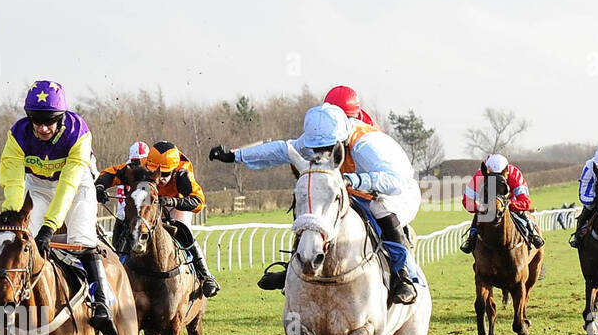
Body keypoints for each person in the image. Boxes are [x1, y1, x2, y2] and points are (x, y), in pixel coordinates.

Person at [210, 102, 421, 304]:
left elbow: (396, 182)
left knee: (379, 207)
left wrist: (352, 180)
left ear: (341, 140)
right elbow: (282, 150)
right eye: (315, 149)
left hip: (397, 194)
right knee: (316, 212)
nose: (321, 155)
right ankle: (295, 267)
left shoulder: (367, 145)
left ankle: (405, 276)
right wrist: (235, 155)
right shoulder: (320, 136)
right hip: (352, 191)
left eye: (328, 148)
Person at [0, 80, 116, 335]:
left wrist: (50, 227)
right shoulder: (17, 134)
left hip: (77, 184)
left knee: (80, 238)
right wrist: (17, 218)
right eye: (36, 122)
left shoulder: (79, 133)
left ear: (61, 119)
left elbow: (68, 185)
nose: (42, 128)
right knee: (23, 242)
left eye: (49, 121)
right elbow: (13, 181)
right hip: (38, 186)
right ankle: (6, 305)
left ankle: (102, 301)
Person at [140, 141, 220, 297]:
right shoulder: (143, 168)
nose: (160, 178)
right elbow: (114, 173)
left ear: (174, 170)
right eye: (156, 172)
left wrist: (174, 201)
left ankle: (206, 276)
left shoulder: (182, 174)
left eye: (165, 174)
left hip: (177, 205)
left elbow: (199, 202)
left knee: (183, 230)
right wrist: (101, 186)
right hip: (153, 204)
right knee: (134, 228)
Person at [460, 154, 544, 252]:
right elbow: (467, 201)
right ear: (487, 171)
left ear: (506, 172)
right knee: (478, 216)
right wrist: (480, 208)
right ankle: (471, 239)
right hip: (487, 203)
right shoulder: (480, 176)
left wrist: (510, 204)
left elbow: (525, 202)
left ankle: (532, 234)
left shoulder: (514, 174)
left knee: (522, 212)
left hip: (510, 202)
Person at [97, 141, 150, 250]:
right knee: (116, 250)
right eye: (136, 162)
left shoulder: (154, 172)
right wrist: (100, 188)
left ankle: (194, 257)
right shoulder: (126, 171)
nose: (139, 166)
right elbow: (108, 174)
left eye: (143, 162)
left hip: (151, 218)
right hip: (126, 218)